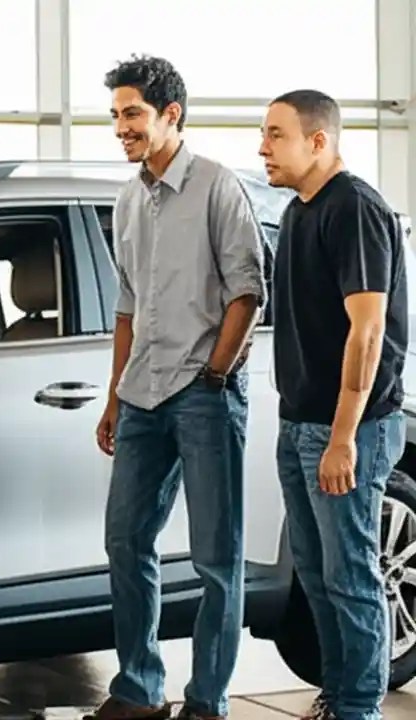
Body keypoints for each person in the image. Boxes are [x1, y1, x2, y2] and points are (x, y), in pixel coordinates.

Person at [88, 55, 267, 720]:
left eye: (131, 114)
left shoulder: (219, 187)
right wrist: (114, 397)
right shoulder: (127, 198)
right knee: (125, 540)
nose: (120, 128)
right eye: (115, 115)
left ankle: (207, 702)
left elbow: (248, 293)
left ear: (171, 114)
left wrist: (216, 376)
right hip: (142, 398)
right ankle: (138, 688)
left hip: (203, 395)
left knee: (217, 558)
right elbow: (128, 307)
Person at [260, 89, 408, 720]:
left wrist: (344, 434)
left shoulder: (355, 209)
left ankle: (358, 708)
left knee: (351, 578)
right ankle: (341, 695)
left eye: (275, 135)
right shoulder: (298, 212)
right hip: (299, 424)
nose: (262, 147)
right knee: (318, 581)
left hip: (350, 429)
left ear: (318, 141)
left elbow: (367, 331)